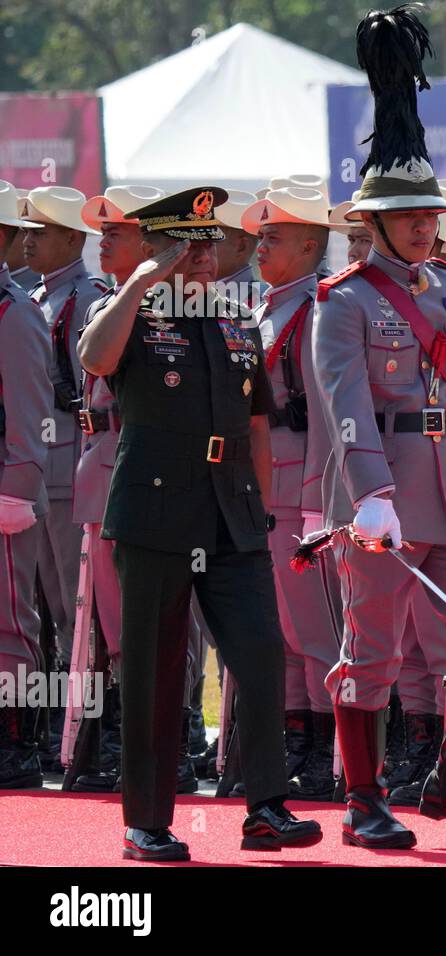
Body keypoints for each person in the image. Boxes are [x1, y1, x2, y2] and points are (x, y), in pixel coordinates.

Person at [310, 4, 446, 847]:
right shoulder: (346, 301)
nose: (427, 227)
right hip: (386, 499)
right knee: (373, 655)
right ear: (376, 224)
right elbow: (344, 400)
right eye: (410, 218)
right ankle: (363, 798)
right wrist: (371, 495)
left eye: (433, 217)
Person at [78, 185, 322, 861]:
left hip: (231, 513)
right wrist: (142, 280)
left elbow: (256, 425)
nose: (207, 259)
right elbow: (95, 360)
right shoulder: (127, 310)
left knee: (261, 651)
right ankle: (146, 823)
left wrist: (263, 511)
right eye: (191, 247)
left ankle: (266, 806)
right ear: (159, 250)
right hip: (156, 511)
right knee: (156, 673)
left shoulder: (236, 320)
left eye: (211, 245)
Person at [242, 187, 344, 800]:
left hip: (299, 489)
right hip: (261, 488)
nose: (260, 247)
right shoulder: (269, 308)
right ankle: (299, 740)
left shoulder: (316, 311)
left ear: (309, 245)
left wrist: (314, 500)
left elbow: (326, 417)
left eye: (272, 237)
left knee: (316, 630)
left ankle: (331, 750)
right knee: (278, 630)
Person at [67, 185, 165, 792]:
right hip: (102, 464)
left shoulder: (167, 306)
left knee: (147, 623)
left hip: (146, 467)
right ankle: (119, 742)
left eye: (117, 233)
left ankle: (161, 743)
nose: (103, 241)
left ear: (149, 242)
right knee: (109, 626)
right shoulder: (105, 301)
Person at [18, 185, 109, 768]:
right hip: (43, 472)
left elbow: (87, 395)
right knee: (48, 607)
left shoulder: (86, 296)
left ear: (74, 239)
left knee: (83, 614)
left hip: (72, 469)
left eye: (41, 231)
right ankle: (57, 724)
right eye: (24, 230)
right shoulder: (39, 295)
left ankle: (91, 730)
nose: (28, 240)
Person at [0, 181, 54, 790]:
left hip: (5, 489)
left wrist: (17, 489)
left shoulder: (15, 312)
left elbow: (31, 410)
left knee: (10, 622)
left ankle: (17, 743)